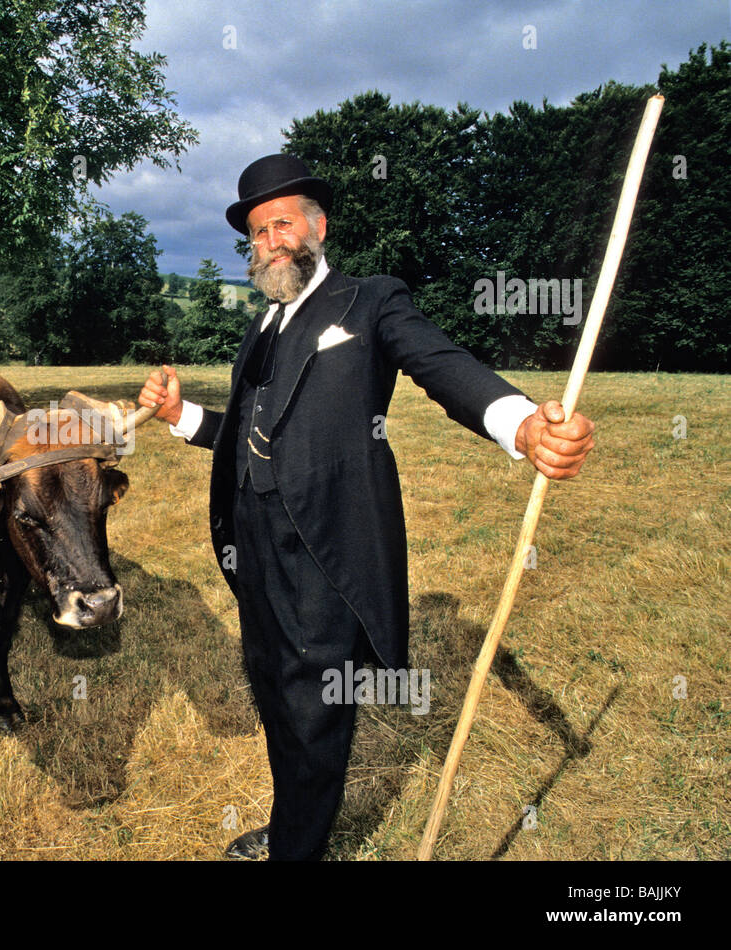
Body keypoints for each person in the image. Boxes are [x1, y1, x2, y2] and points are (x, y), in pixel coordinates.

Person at [138, 154, 596, 861]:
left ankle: (298, 850)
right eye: (256, 234)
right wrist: (179, 415)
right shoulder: (260, 327)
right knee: (276, 697)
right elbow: (247, 431)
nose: (268, 244)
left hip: (325, 547)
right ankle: (294, 820)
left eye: (281, 225)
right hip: (254, 547)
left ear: (317, 227)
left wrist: (522, 421)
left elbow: (440, 363)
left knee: (316, 712)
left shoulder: (369, 300)